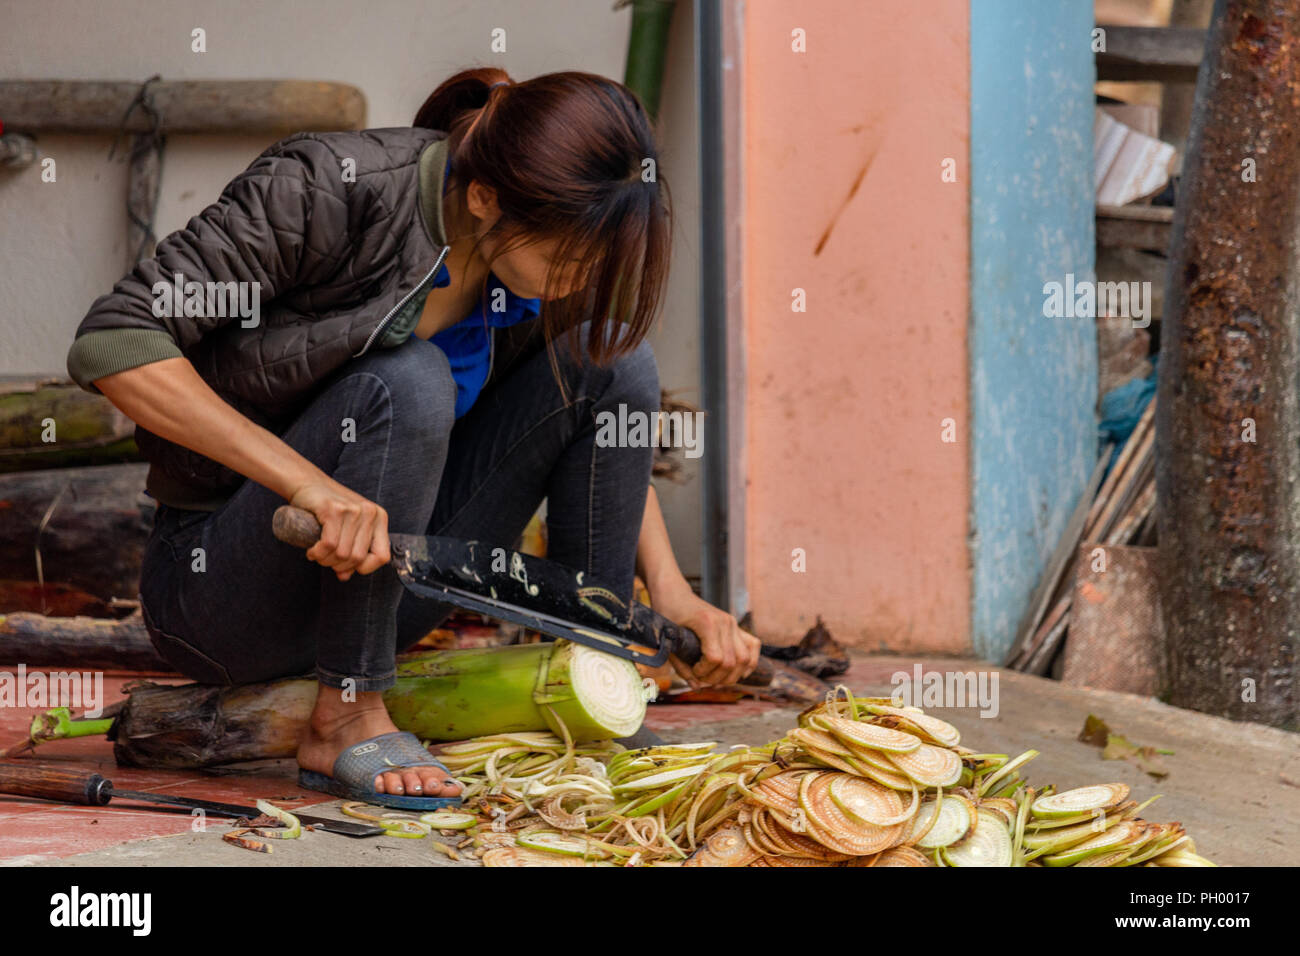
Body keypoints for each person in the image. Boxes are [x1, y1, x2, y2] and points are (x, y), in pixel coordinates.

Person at [67, 67, 760, 809]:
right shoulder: (326, 189)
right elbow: (114, 342)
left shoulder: (524, 273)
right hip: (223, 595)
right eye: (570, 258)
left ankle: (587, 679)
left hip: (390, 581)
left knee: (614, 360)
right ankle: (345, 716)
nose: (576, 280)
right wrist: (307, 483)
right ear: (485, 196)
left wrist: (674, 594)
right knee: (412, 381)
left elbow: (580, 410)